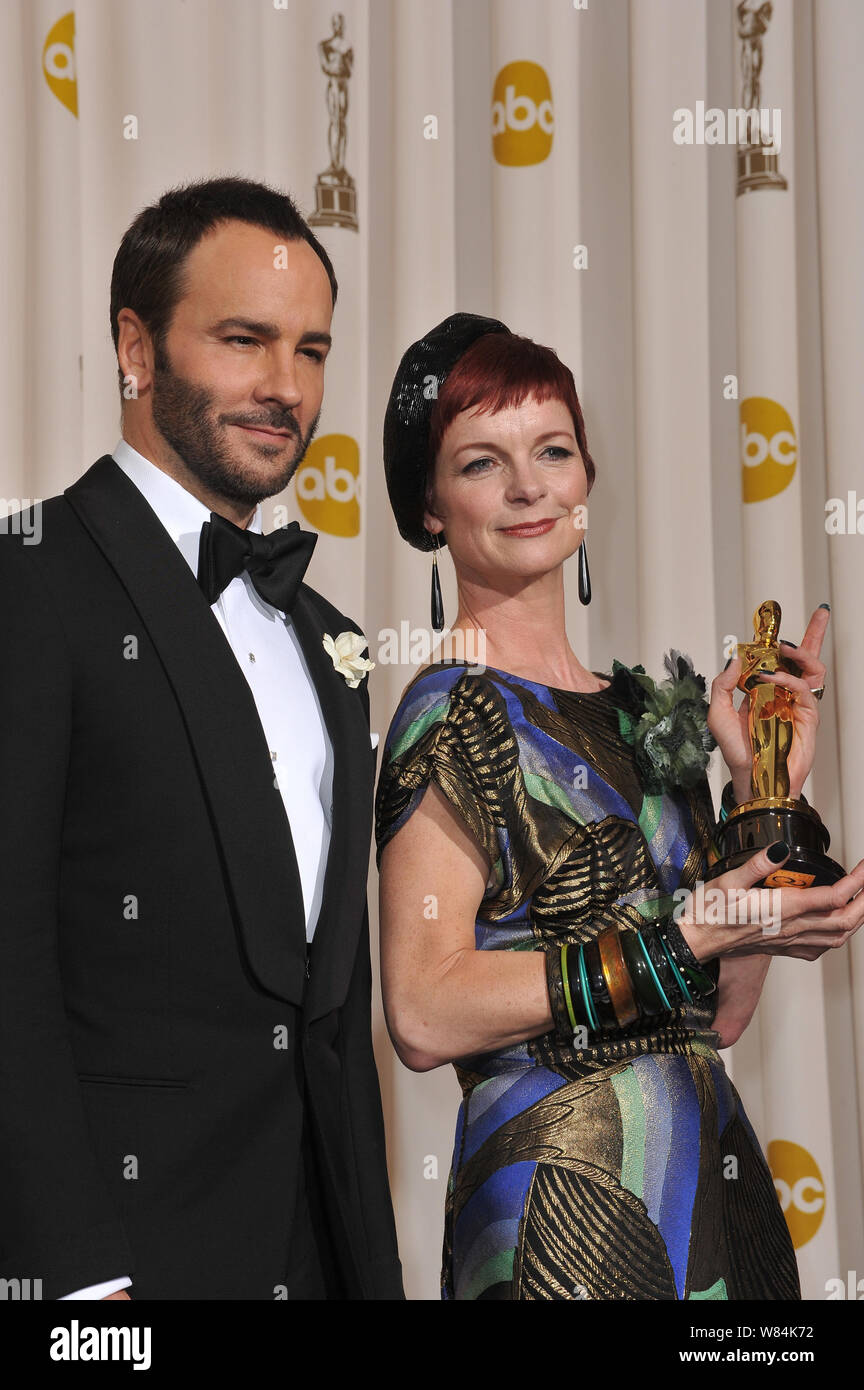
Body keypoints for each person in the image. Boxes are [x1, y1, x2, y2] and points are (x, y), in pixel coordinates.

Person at [373, 312, 864, 1301]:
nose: (526, 486)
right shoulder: (450, 709)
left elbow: (719, 1015)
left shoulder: (656, 713)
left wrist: (763, 786)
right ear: (429, 505)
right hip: (558, 1218)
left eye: (552, 449)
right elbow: (422, 1011)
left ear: (586, 479)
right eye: (480, 462)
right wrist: (685, 934)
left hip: (710, 1198)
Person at [0, 176, 402, 1301]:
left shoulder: (332, 638)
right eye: (244, 339)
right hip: (121, 1268)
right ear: (136, 346)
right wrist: (72, 1277)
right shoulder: (28, 579)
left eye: (311, 349)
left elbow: (334, 1009)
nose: (286, 387)